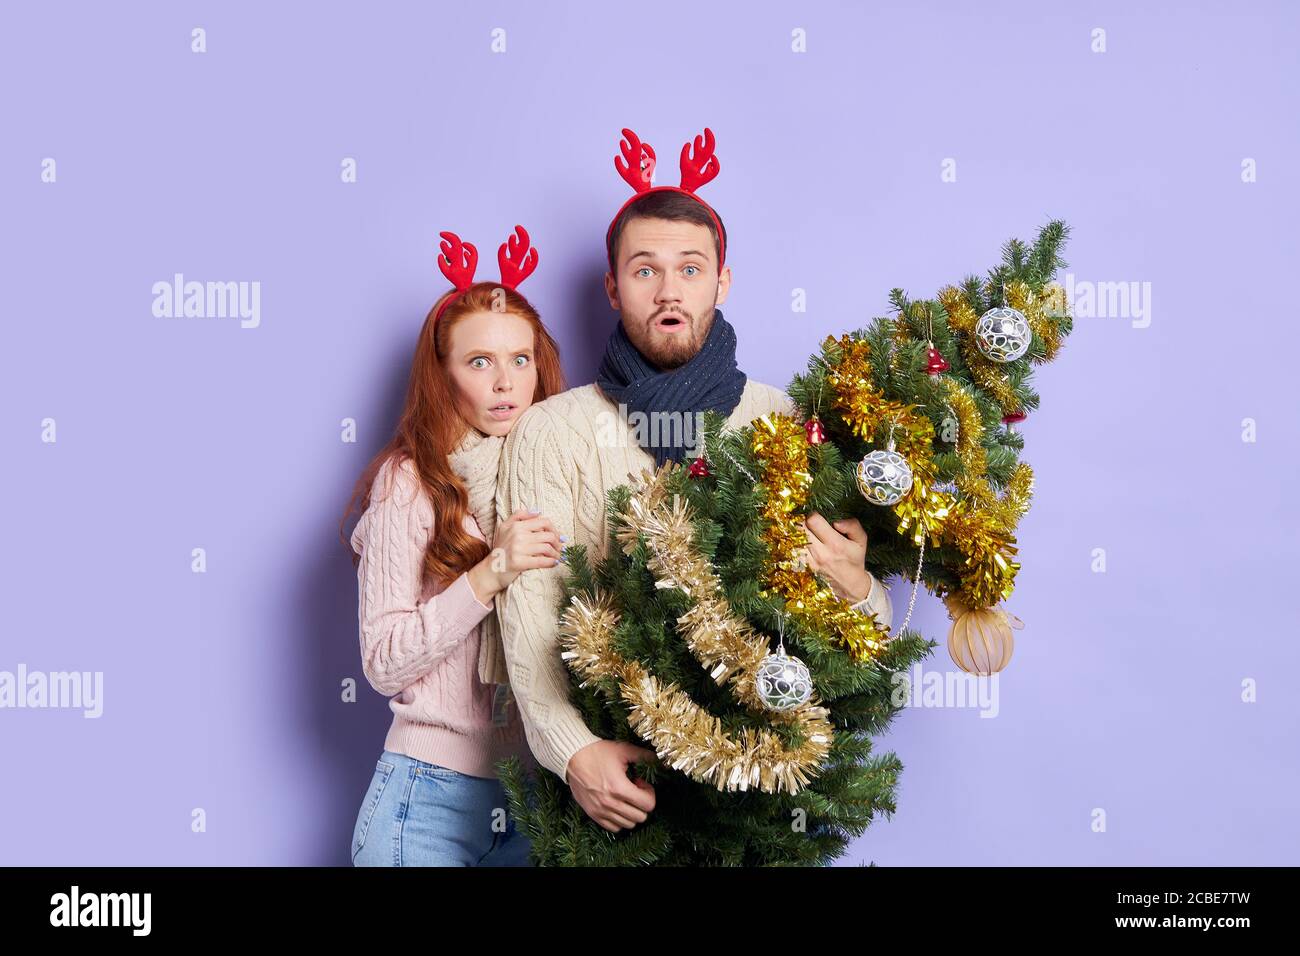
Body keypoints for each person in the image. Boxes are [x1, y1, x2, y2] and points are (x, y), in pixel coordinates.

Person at [493, 129, 894, 834]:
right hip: (613, 797)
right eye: (645, 271)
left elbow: (866, 632)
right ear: (614, 288)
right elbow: (530, 618)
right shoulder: (551, 431)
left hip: (760, 797)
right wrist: (574, 751)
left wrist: (859, 588)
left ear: (722, 282)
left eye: (691, 268)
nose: (669, 290)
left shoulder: (783, 418)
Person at [341, 226, 565, 865]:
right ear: (441, 375)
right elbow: (383, 662)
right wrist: (490, 573)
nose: (504, 383)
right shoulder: (410, 482)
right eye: (479, 362)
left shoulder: (551, 480)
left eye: (520, 360)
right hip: (427, 795)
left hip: (533, 797)